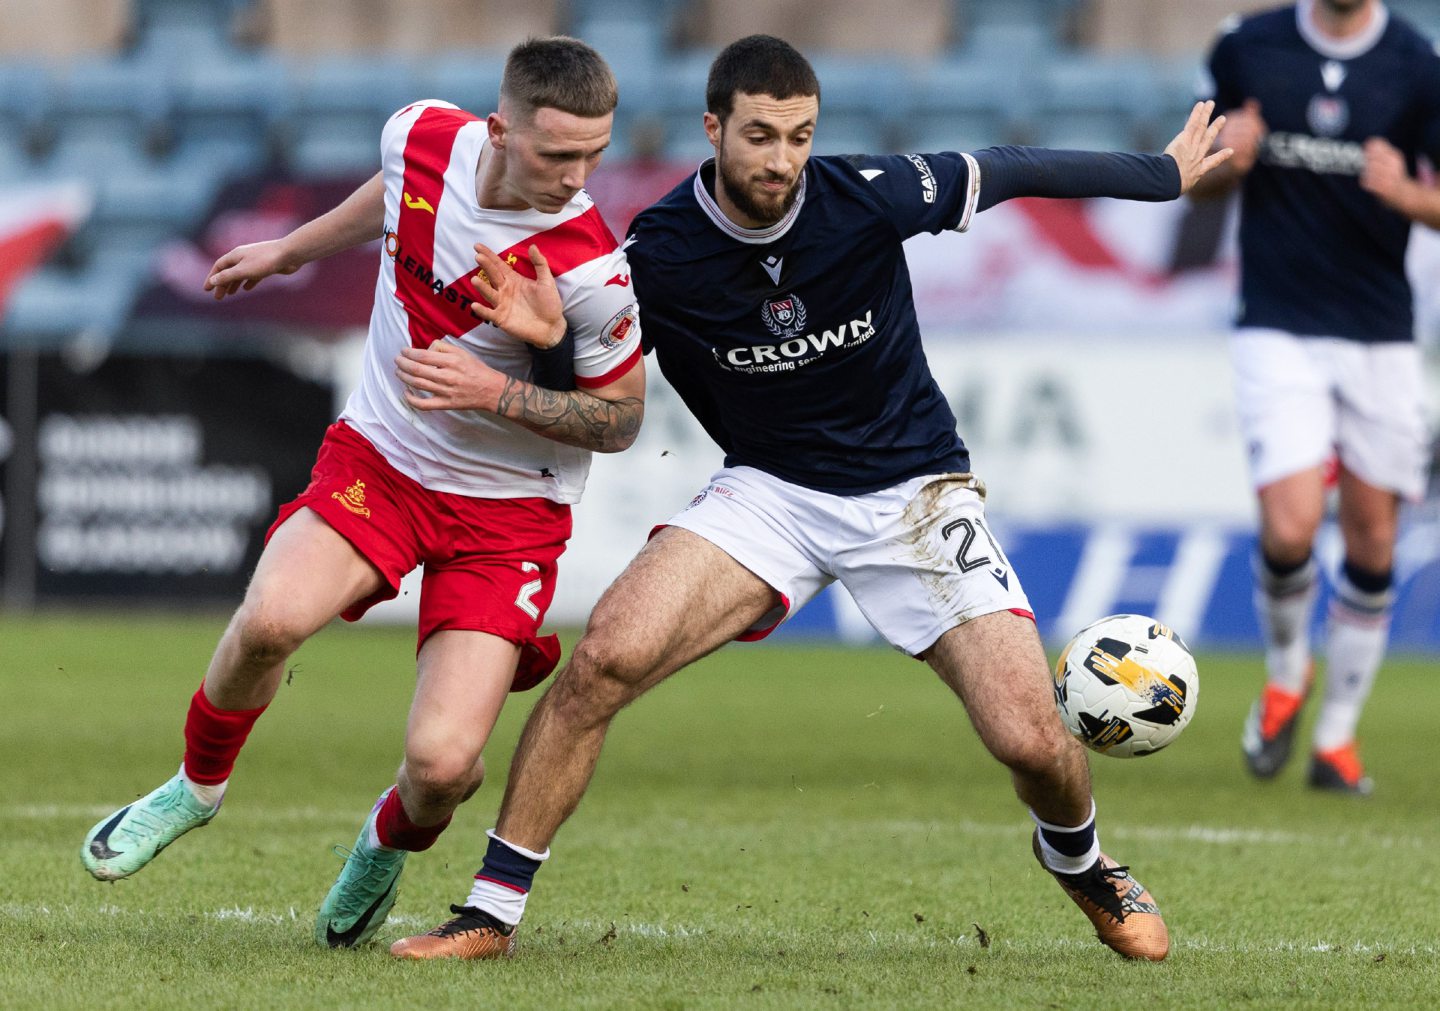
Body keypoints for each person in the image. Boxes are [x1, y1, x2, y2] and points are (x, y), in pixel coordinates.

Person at [381, 35, 1232, 962]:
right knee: (601, 664)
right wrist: (549, 347)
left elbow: (1010, 166)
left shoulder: (867, 193)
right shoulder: (657, 255)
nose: (782, 159)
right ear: (713, 130)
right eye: (759, 135)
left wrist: (1160, 176)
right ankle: (491, 912)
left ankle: (1083, 861)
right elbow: (595, 399)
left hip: (916, 493)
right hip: (769, 494)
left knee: (1030, 740)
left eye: (799, 136)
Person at [79, 36, 647, 951]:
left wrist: (495, 388)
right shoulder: (420, 134)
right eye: (557, 154)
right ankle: (195, 787)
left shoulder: (588, 267)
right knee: (270, 621)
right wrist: (288, 250)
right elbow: (393, 195)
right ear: (500, 130)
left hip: (507, 516)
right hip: (383, 459)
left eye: (595, 153)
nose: (577, 177)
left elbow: (620, 420)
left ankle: (385, 840)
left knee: (443, 767)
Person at [1189, 0, 1440, 795]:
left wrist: (1408, 196)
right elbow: (1192, 185)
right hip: (1278, 325)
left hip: (1379, 334)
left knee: (1373, 541)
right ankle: (1287, 671)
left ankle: (1335, 741)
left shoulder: (1418, 64)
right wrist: (1227, 161)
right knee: (1292, 523)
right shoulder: (1247, 46)